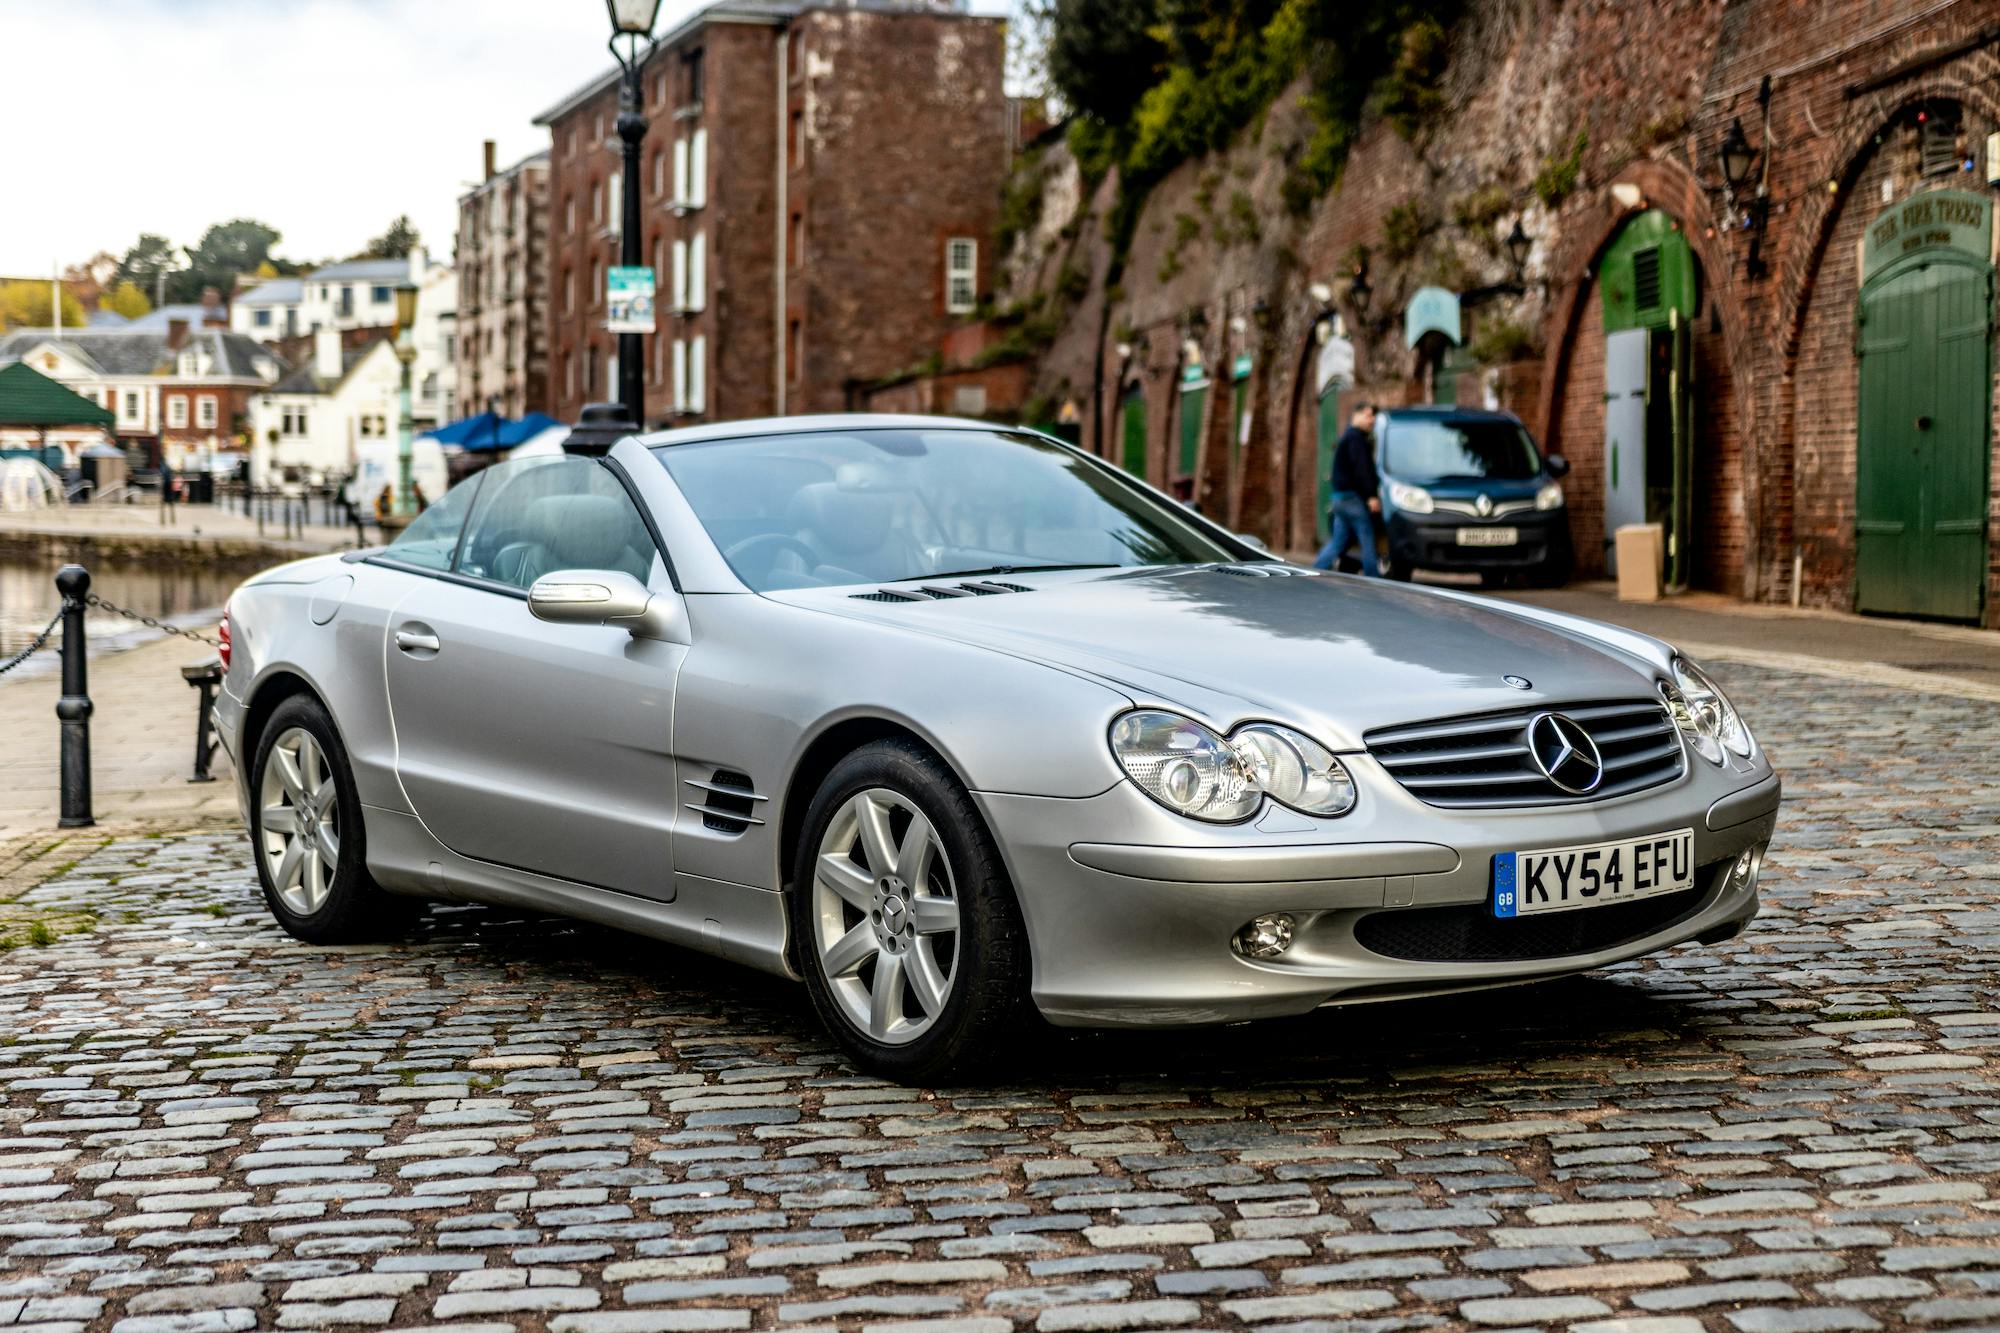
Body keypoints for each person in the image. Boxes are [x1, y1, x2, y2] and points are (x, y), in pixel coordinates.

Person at [1312, 402, 1380, 575]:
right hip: (1352, 499)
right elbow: (1363, 470)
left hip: (1339, 500)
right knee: (1367, 541)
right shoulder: (1356, 438)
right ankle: (1375, 580)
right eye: (1368, 415)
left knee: (1337, 542)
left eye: (1373, 416)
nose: (1372, 420)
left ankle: (1315, 571)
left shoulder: (1348, 437)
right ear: (1356, 416)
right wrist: (1371, 495)